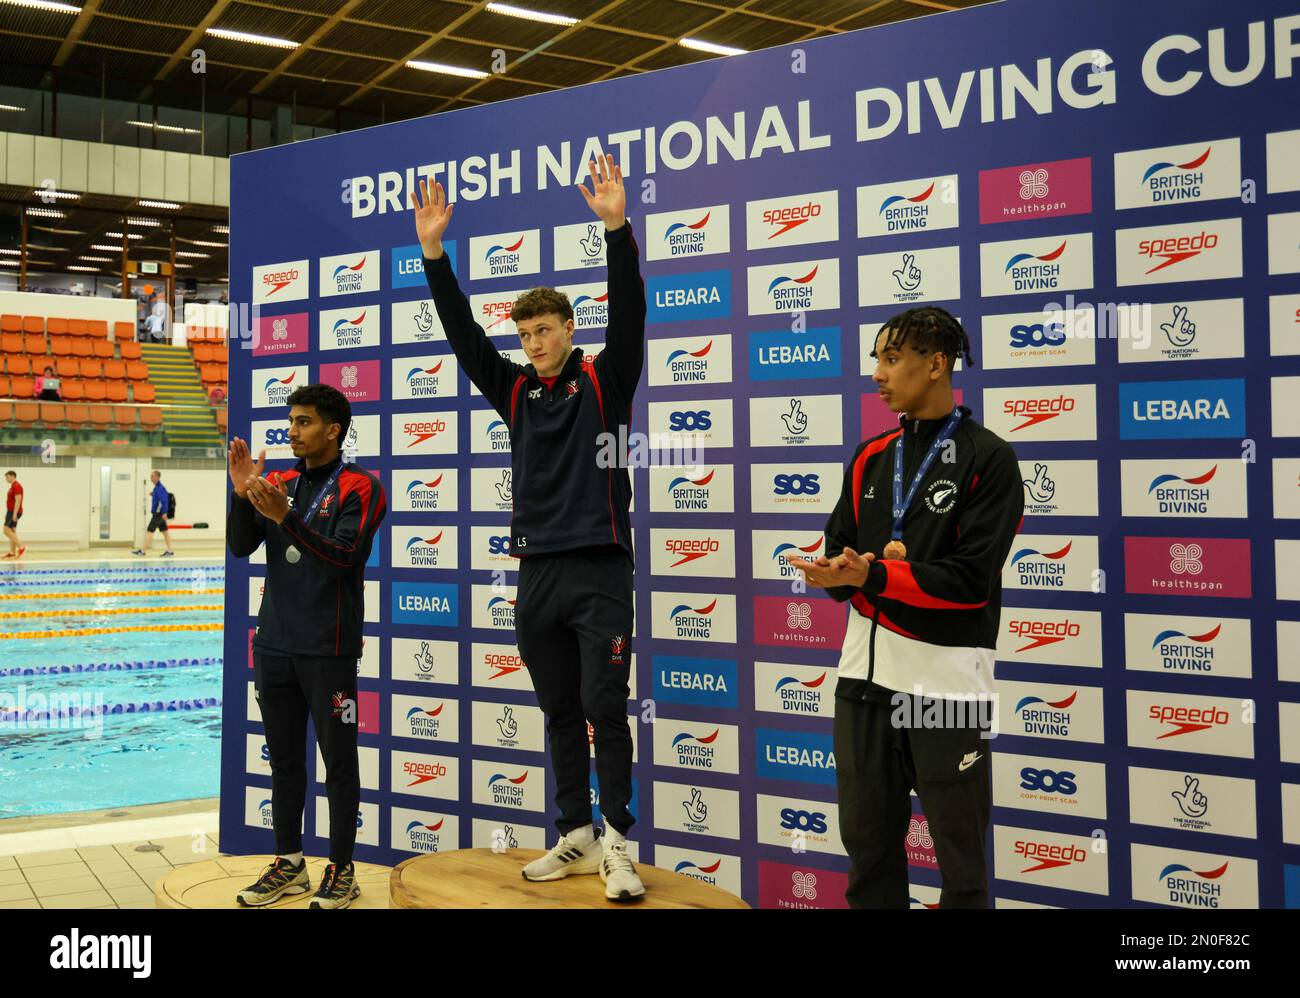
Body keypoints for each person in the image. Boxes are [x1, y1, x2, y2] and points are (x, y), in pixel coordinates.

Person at [411, 154, 647, 901]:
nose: (535, 343)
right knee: (557, 712)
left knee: (606, 711)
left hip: (601, 569)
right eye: (526, 334)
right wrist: (434, 255)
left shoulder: (604, 380)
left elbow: (632, 312)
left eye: (546, 330)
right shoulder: (514, 390)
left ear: (570, 329)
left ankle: (618, 846)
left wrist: (616, 228)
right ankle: (574, 832)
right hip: (536, 572)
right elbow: (461, 338)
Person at [785, 307, 1023, 909]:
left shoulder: (989, 458)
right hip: (861, 689)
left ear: (937, 364)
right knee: (869, 855)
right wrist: (832, 574)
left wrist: (881, 573)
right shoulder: (871, 455)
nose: (878, 374)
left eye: (892, 359)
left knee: (960, 863)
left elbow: (971, 582)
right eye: (878, 360)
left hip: (942, 692)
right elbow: (841, 549)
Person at [227, 383, 387, 910]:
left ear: (333, 429)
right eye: (290, 421)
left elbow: (344, 557)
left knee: (338, 762)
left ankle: (342, 869)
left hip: (329, 646)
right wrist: (239, 494)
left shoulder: (362, 487)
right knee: (285, 761)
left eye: (303, 422)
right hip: (274, 643)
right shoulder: (279, 482)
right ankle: (289, 862)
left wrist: (286, 519)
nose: (292, 430)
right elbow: (241, 546)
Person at [132, 470, 174, 557]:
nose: (151, 478)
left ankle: (142, 551)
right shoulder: (157, 488)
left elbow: (164, 501)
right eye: (151, 476)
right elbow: (161, 497)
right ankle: (170, 551)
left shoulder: (159, 488)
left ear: (157, 477)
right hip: (160, 514)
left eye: (152, 476)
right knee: (165, 532)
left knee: (150, 531)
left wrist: (165, 512)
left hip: (158, 514)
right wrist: (153, 494)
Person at [3, 470, 25, 559]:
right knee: (12, 531)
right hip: (11, 511)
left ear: (12, 476)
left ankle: (21, 547)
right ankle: (12, 552)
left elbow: (18, 501)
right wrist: (8, 513)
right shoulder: (12, 487)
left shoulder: (17, 486)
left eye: (7, 477)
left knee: (6, 530)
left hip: (14, 511)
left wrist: (14, 514)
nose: (6, 479)